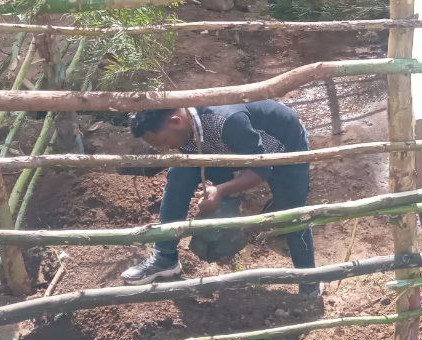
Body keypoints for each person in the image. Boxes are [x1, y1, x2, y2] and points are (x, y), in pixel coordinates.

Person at [122, 102, 319, 296]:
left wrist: (221, 191)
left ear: (176, 121)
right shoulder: (185, 130)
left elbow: (261, 170)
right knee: (179, 174)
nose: (167, 147)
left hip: (284, 146)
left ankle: (309, 278)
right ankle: (165, 256)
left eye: (164, 141)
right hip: (229, 150)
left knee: (293, 213)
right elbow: (205, 164)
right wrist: (220, 194)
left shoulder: (226, 121)